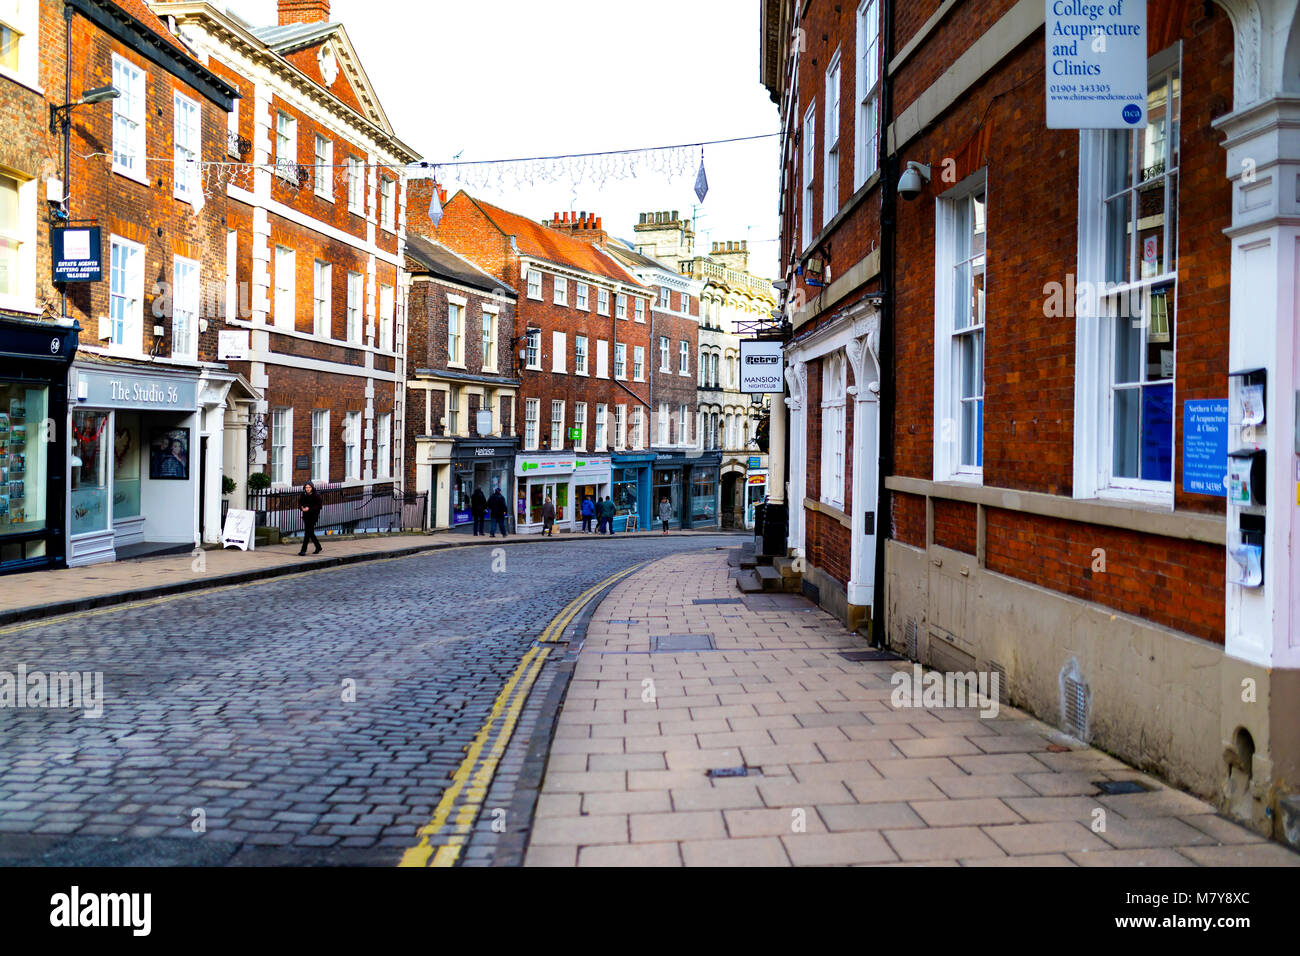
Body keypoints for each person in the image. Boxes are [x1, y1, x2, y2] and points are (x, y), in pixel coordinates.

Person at [298, 481, 323, 555]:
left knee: (307, 533)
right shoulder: (303, 495)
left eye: (309, 487)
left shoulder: (316, 495)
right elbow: (300, 503)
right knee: (310, 533)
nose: (307, 489)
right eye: (306, 487)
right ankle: (318, 546)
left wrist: (309, 508)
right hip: (306, 515)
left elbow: (319, 506)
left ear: (312, 487)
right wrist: (301, 508)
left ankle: (303, 550)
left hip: (313, 516)